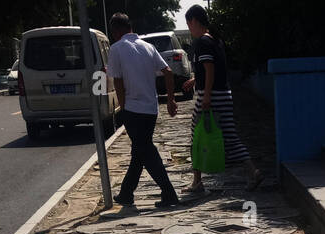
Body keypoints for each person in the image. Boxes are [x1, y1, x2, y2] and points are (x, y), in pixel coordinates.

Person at [182, 4, 262, 194]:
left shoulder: (202, 42)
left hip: (211, 97)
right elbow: (212, 69)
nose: (189, 28)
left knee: (197, 137)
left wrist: (206, 95)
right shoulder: (215, 40)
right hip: (223, 95)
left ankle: (197, 182)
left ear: (193, 21)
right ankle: (253, 172)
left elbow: (209, 69)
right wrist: (195, 80)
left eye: (189, 23)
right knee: (230, 137)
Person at [105, 12, 181, 209]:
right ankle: (126, 193)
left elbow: (118, 82)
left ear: (116, 31)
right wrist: (171, 99)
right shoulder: (148, 47)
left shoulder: (116, 49)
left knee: (146, 150)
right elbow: (168, 72)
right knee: (139, 150)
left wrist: (123, 108)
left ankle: (169, 192)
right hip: (151, 108)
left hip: (133, 108)